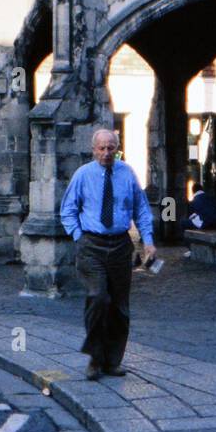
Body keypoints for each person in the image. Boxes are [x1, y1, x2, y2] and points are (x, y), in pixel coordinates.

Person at [60, 128, 155, 381]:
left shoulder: (127, 174)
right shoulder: (83, 175)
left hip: (121, 245)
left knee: (120, 307)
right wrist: (78, 236)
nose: (106, 153)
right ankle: (95, 357)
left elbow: (141, 209)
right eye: (101, 148)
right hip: (91, 244)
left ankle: (113, 361)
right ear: (93, 150)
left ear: (117, 148)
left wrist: (148, 241)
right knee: (98, 296)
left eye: (110, 148)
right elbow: (68, 209)